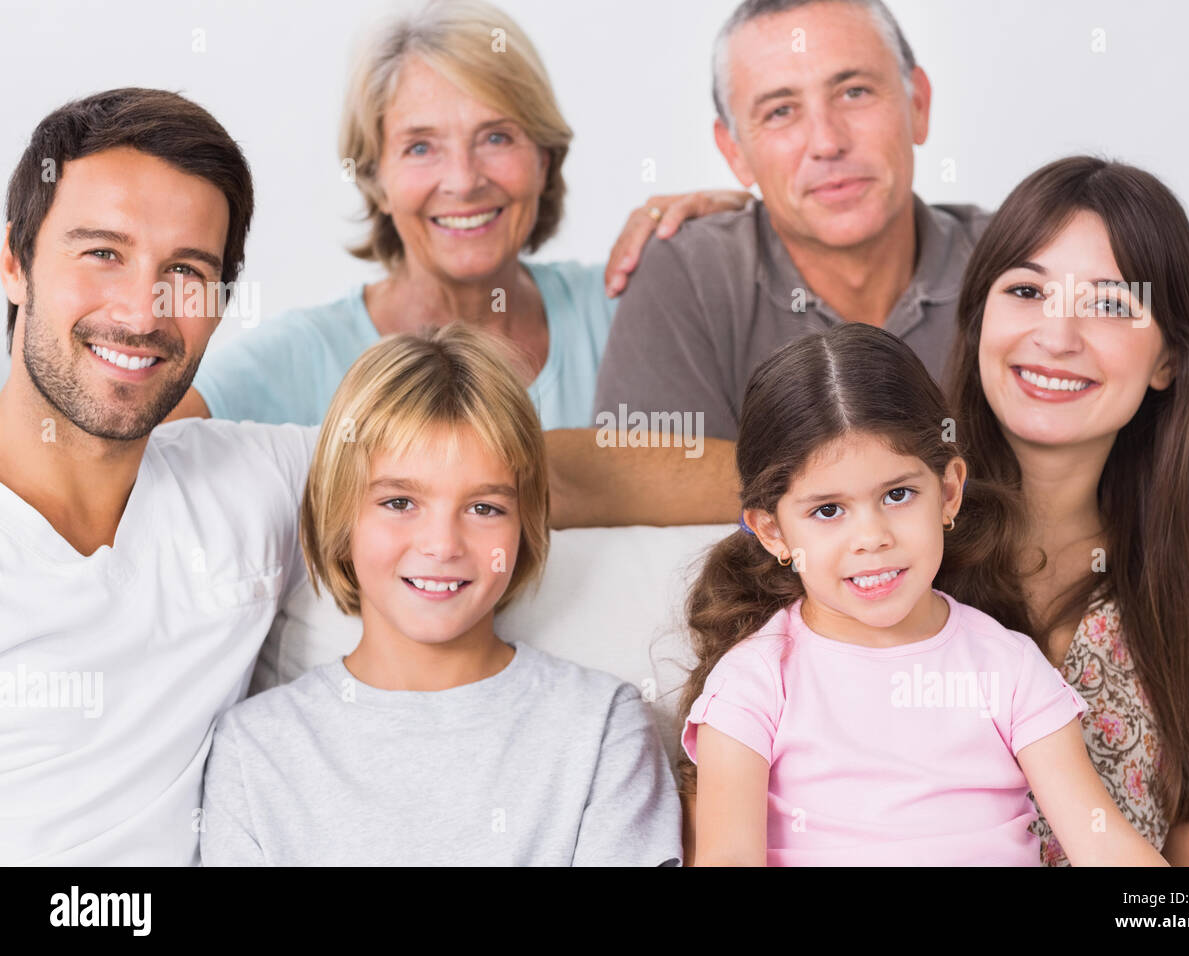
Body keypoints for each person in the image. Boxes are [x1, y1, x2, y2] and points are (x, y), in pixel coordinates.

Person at [678, 322, 1167, 866]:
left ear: (949, 492)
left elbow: (1105, 846)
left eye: (898, 494)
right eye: (828, 510)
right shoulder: (753, 686)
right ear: (773, 532)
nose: (872, 538)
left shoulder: (1008, 668)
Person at [200, 326, 682, 865]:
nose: (442, 545)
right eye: (400, 502)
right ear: (340, 514)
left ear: (525, 527)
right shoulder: (256, 749)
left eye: (484, 508)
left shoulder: (600, 728)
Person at [166, 0, 748, 431]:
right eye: (420, 147)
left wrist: (746, 235)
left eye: (496, 137)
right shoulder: (297, 359)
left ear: (545, 159)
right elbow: (116, 469)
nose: (465, 179)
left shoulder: (633, 308)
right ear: (376, 178)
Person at [937, 155, 1189, 865]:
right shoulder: (876, 549)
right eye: (1027, 290)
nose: (1057, 336)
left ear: (1168, 363)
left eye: (1109, 303)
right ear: (978, 321)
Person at [0, 88, 317, 864]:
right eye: (103, 252)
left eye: (186, 269)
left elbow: (538, 470)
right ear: (15, 263)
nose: (144, 312)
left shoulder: (254, 480)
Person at [548, 0, 989, 527]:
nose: (827, 141)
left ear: (918, 103)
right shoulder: (686, 271)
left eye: (855, 92)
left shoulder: (1015, 264)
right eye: (780, 111)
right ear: (734, 151)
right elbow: (634, 489)